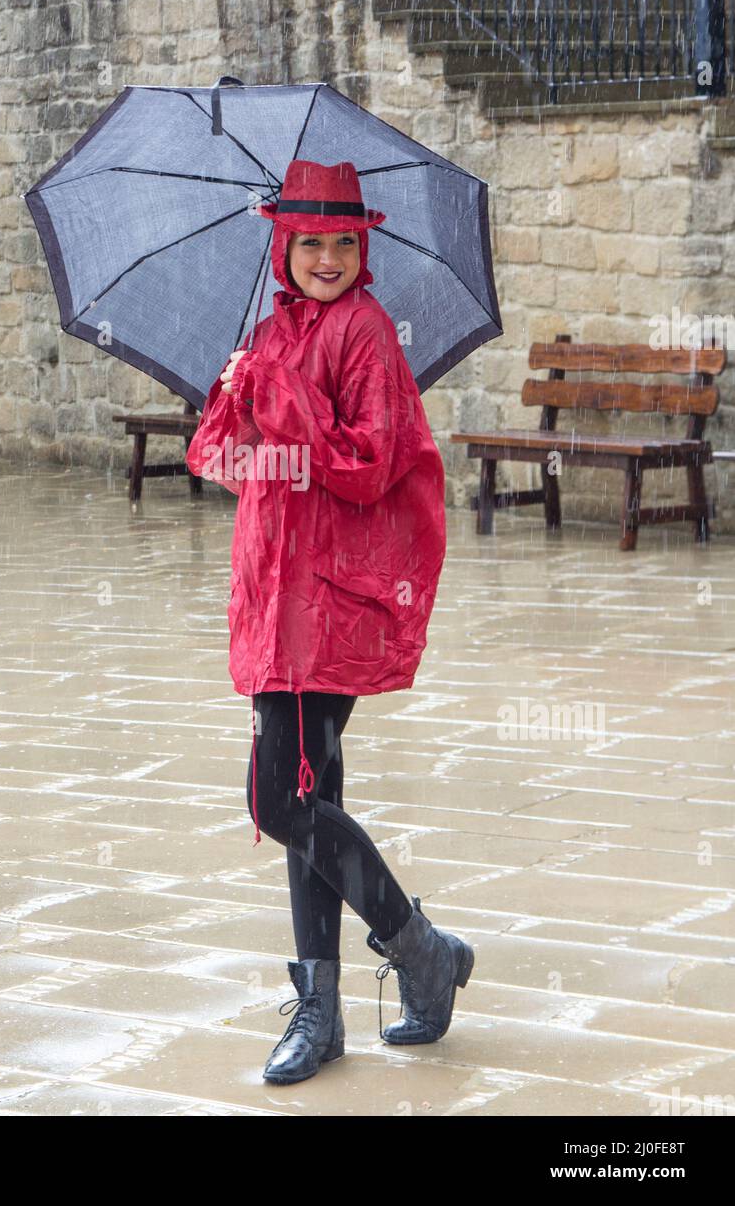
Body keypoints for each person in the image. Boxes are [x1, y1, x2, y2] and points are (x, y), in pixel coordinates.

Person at [185, 160, 474, 1086]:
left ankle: (417, 947)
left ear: (363, 248)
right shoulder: (269, 335)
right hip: (273, 592)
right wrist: (238, 387)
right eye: (308, 241)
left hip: (329, 602)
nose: (325, 257)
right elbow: (221, 459)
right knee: (311, 798)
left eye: (342, 242)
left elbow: (368, 462)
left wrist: (292, 403)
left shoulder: (366, 335)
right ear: (284, 246)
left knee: (280, 800)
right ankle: (326, 1010)